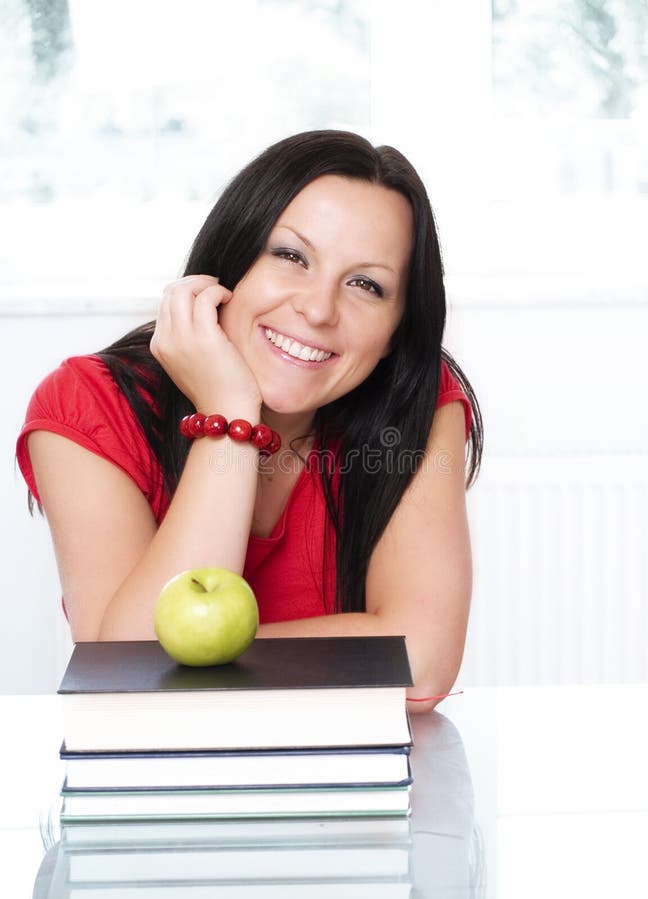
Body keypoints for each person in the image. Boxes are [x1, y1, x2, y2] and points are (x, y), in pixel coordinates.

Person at [17, 130, 483, 713]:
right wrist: (229, 415)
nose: (318, 309)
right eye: (290, 256)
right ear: (227, 263)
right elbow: (128, 676)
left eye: (366, 284)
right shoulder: (85, 406)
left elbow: (424, 666)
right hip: (159, 779)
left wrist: (179, 656)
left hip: (344, 776)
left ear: (397, 332)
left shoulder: (417, 403)